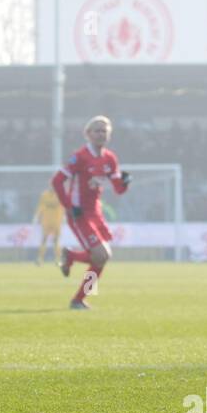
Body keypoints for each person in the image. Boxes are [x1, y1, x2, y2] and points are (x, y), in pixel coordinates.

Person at [53, 116, 130, 309]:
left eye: (104, 131)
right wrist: (69, 206)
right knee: (101, 255)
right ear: (87, 134)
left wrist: (125, 182)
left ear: (109, 135)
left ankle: (78, 294)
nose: (101, 134)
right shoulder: (79, 157)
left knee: (102, 257)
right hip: (79, 213)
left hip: (96, 212)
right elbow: (57, 181)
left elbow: (118, 189)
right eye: (97, 130)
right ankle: (77, 297)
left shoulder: (110, 158)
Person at [32, 185, 63, 266]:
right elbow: (40, 206)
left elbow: (63, 207)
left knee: (56, 240)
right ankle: (40, 259)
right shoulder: (44, 195)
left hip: (57, 221)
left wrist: (65, 217)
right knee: (44, 239)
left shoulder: (60, 195)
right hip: (46, 221)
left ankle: (58, 259)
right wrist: (37, 216)